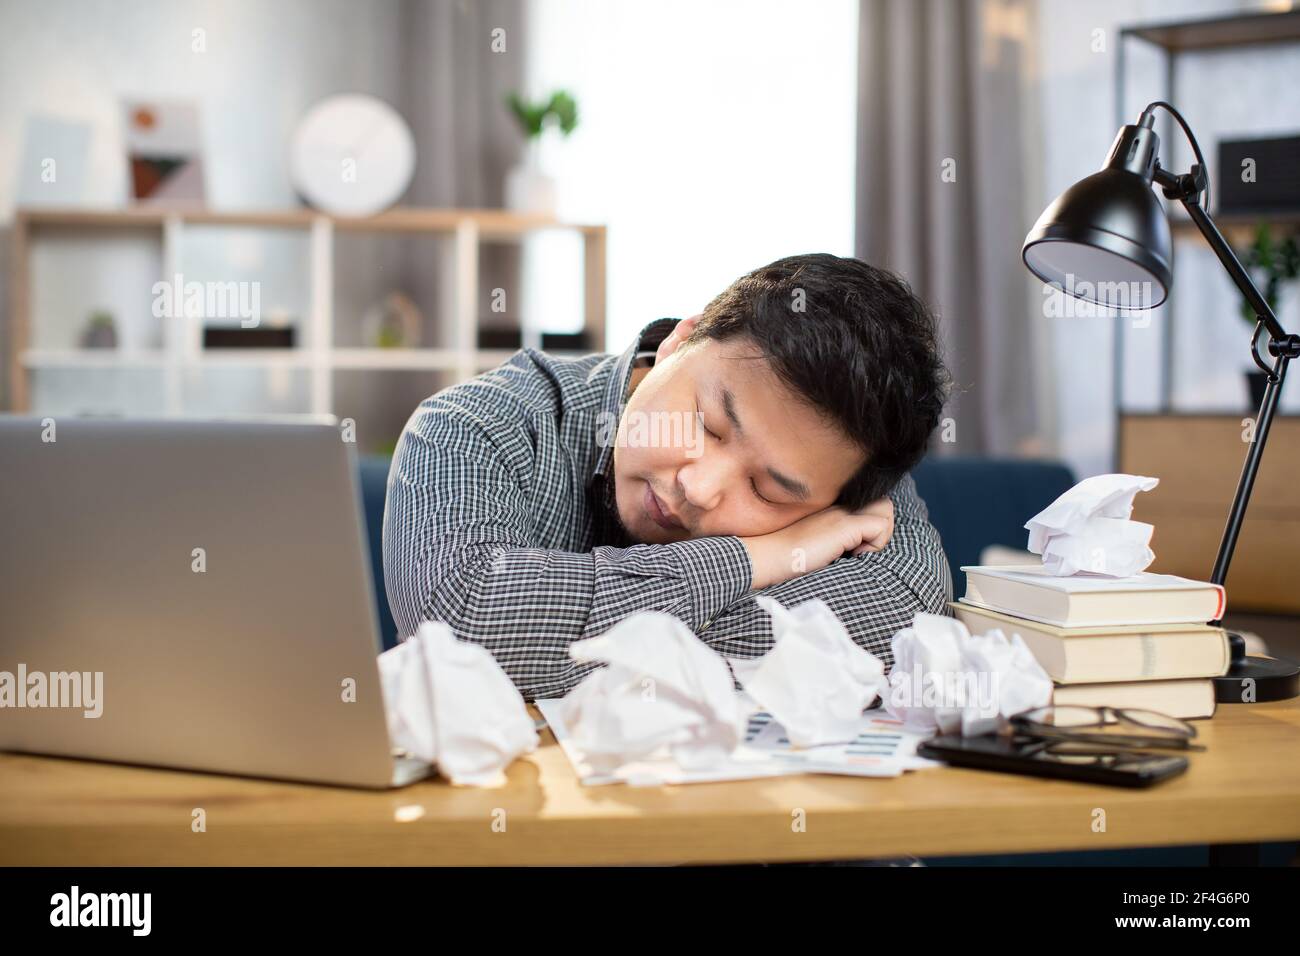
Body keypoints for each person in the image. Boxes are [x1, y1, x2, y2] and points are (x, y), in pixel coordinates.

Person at [383, 253, 953, 700]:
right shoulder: (478, 424)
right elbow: (459, 615)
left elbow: (908, 620)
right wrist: (763, 557)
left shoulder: (844, 459)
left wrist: (542, 642)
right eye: (707, 425)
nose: (698, 488)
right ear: (681, 342)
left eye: (767, 491)